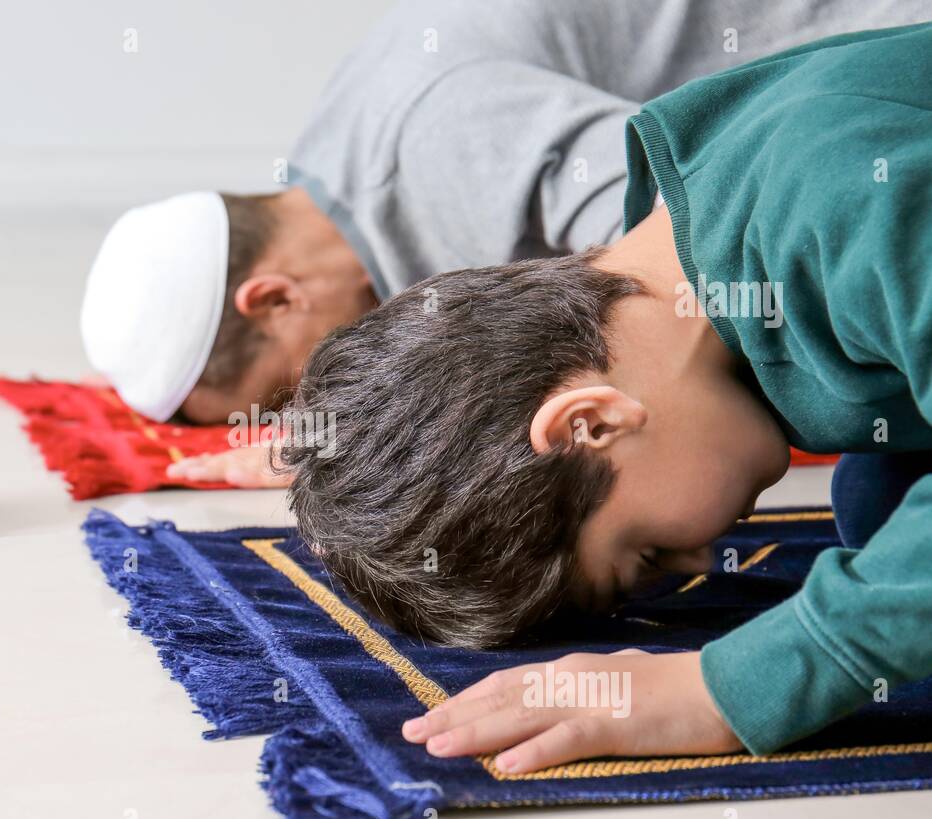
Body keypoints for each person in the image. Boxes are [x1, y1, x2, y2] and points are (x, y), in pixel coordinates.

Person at [280, 23, 932, 773]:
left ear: (587, 423)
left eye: (648, 554)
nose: (704, 554)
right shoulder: (715, 239)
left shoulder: (836, 202)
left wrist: (721, 691)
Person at [77, 0, 927, 486]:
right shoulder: (336, 154)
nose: (313, 407)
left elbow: (679, 249)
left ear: (271, 296)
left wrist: (387, 444)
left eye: (288, 391)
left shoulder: (441, 141)